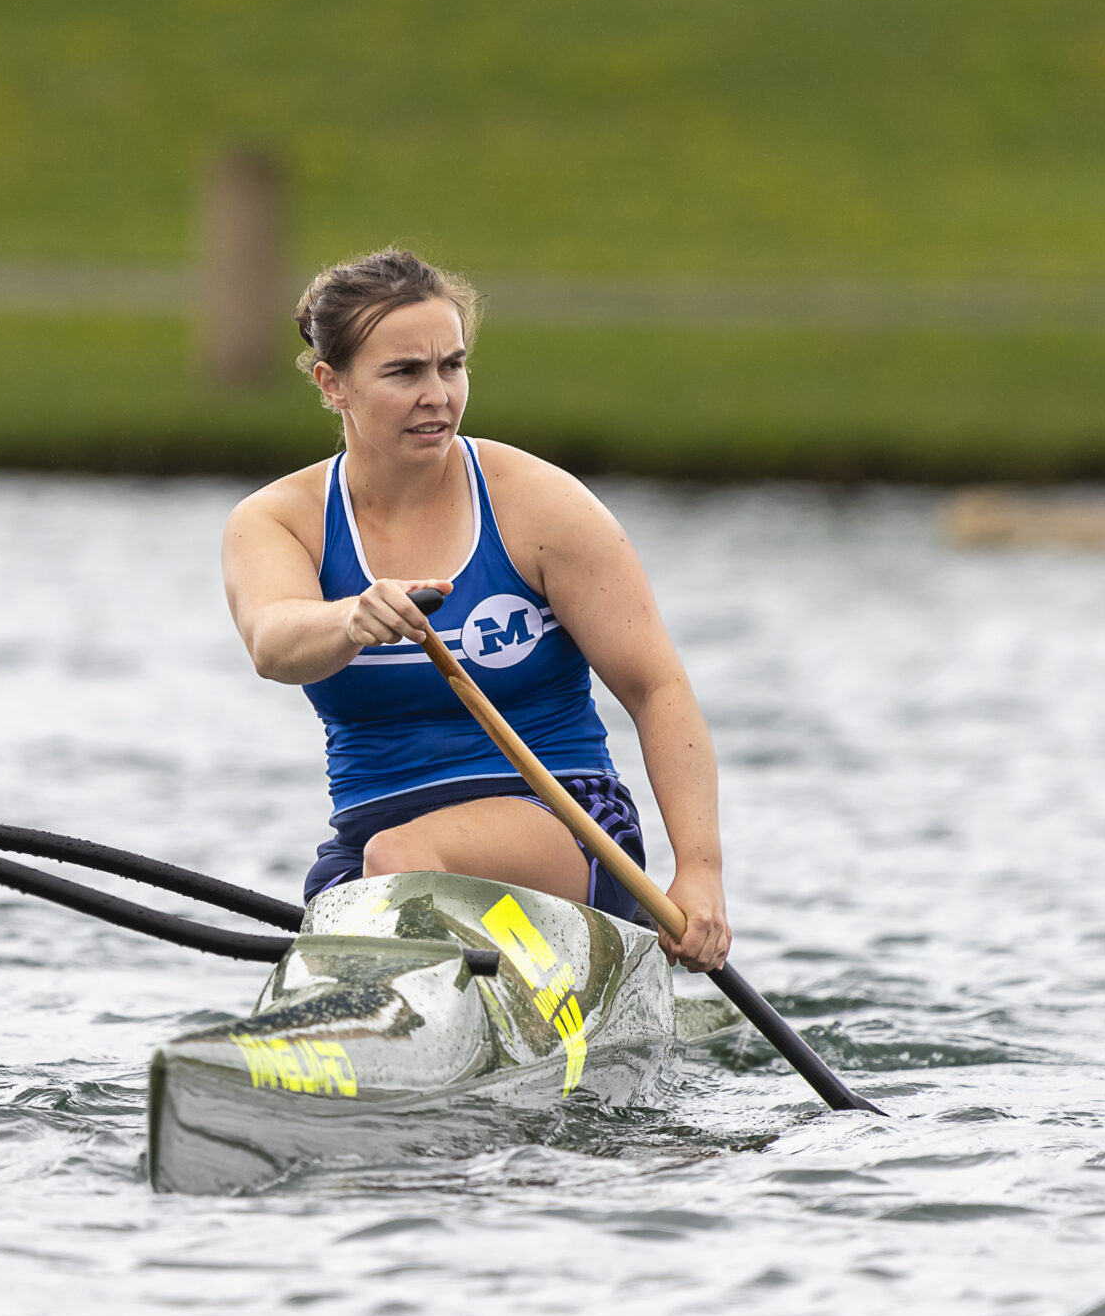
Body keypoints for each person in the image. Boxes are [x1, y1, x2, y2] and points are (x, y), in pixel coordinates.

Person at [220, 248, 731, 973]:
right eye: (404, 373)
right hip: (369, 846)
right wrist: (350, 619)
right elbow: (273, 643)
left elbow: (657, 688)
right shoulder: (278, 520)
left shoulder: (539, 505)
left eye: (451, 366)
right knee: (378, 869)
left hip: (568, 825)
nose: (437, 395)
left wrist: (700, 872)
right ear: (333, 385)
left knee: (398, 858)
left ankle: (452, 985)